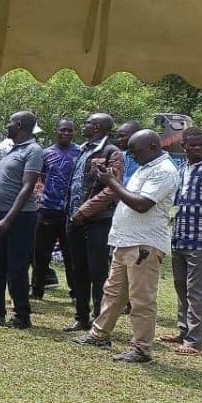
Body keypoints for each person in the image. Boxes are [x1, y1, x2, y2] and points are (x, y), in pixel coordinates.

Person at [72, 130, 179, 363]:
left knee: (141, 299)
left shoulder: (164, 171)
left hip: (144, 244)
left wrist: (111, 182)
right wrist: (113, 182)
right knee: (113, 293)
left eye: (137, 151)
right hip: (126, 241)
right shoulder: (145, 168)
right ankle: (99, 335)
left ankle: (142, 349)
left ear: (153, 145)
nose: (132, 156)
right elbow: (128, 197)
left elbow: (142, 204)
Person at [160, 126, 202, 356]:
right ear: (184, 146)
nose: (198, 148)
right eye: (193, 145)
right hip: (179, 236)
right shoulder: (182, 168)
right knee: (181, 287)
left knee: (195, 290)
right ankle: (183, 331)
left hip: (200, 239)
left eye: (201, 144)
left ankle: (193, 341)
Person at [65, 113, 124, 332]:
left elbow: (112, 188)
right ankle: (81, 317)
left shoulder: (111, 152)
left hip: (97, 221)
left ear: (97, 127)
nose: (84, 126)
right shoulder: (83, 149)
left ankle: (99, 321)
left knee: (98, 272)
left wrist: (84, 211)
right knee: (78, 269)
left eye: (88, 123)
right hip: (74, 219)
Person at [0, 112, 44, 329]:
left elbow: (28, 187)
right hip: (0, 214)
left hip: (20, 217)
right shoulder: (12, 149)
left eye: (9, 122)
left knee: (17, 266)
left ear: (19, 125)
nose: (7, 126)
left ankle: (21, 314)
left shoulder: (33, 150)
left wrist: (9, 220)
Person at [31, 118, 79, 300]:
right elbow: (39, 178)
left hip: (70, 211)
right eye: (63, 130)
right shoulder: (46, 153)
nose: (66, 133)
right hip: (47, 209)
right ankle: (37, 290)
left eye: (70, 130)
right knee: (41, 253)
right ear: (56, 131)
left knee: (71, 255)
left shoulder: (79, 152)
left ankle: (76, 292)